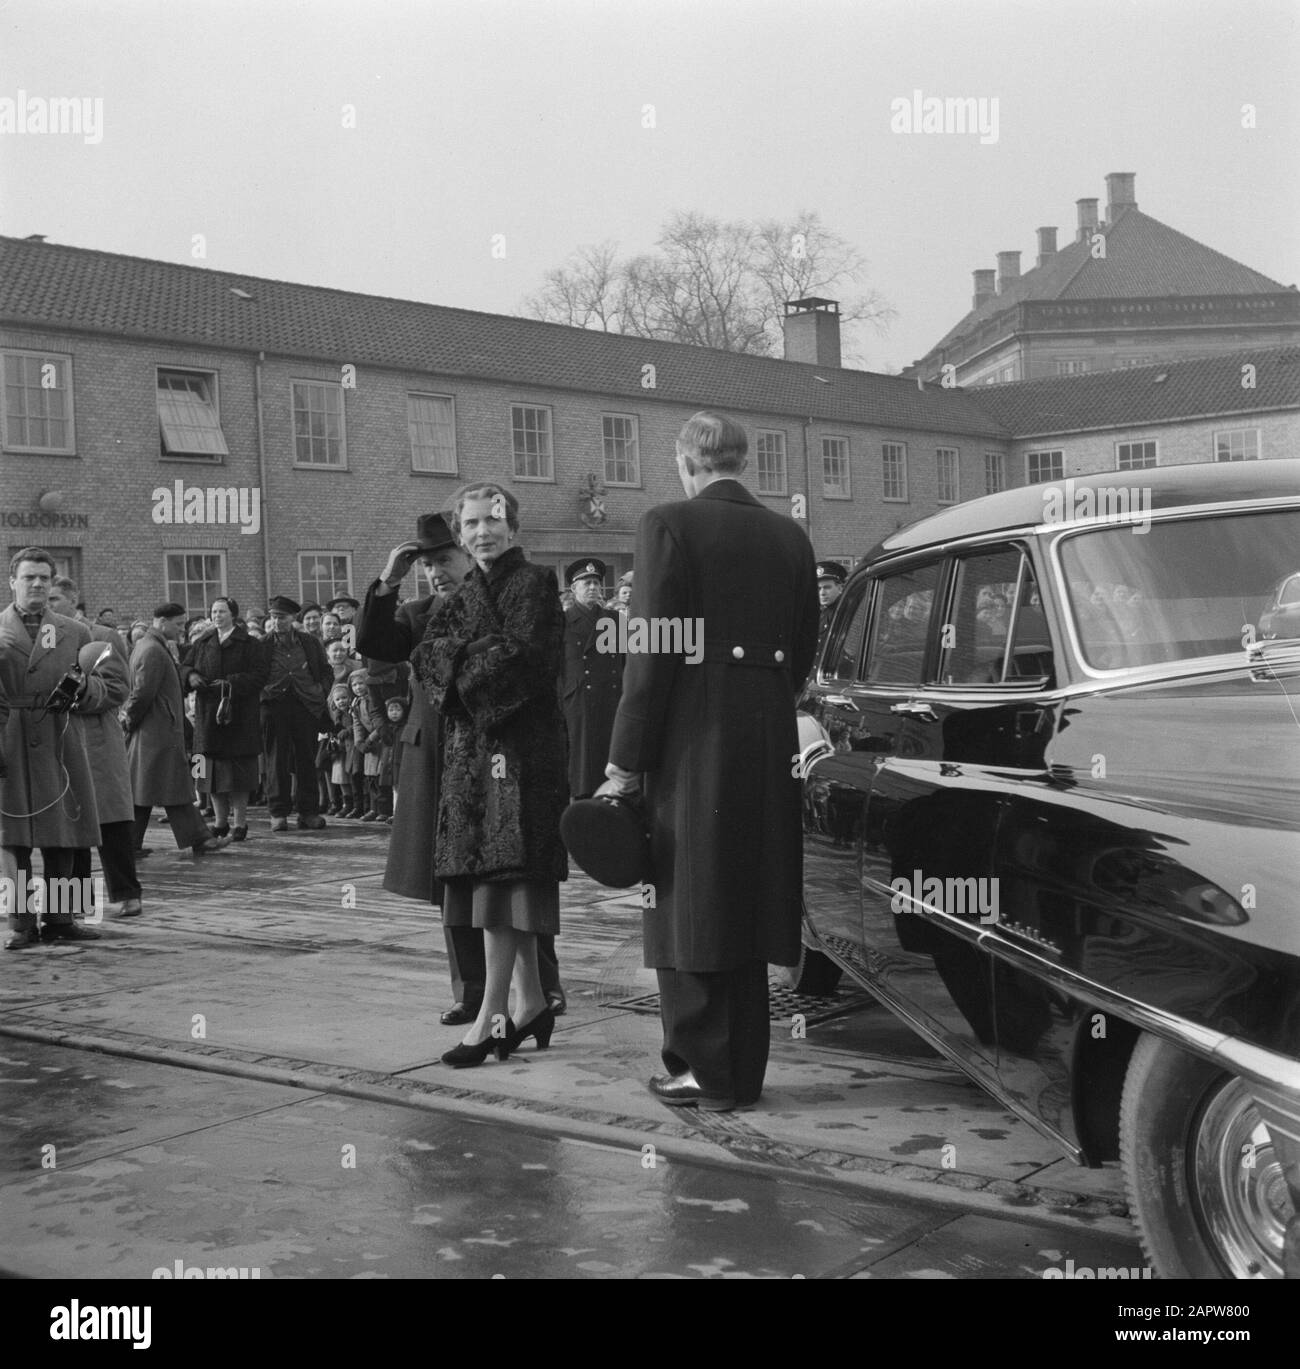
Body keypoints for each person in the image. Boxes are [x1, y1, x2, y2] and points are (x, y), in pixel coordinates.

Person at [598, 412, 818, 1112]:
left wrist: (624, 760)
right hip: (768, 727)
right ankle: (741, 1069)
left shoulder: (668, 524)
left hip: (692, 732)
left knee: (686, 896)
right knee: (748, 894)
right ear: (742, 460)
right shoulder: (789, 534)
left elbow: (652, 651)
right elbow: (805, 647)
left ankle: (699, 1068)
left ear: (684, 461)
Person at [356, 513, 568, 1025]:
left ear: (469, 555)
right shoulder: (418, 612)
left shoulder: (503, 602)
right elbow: (374, 644)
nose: (434, 573)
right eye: (425, 565)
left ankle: (541, 986)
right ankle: (469, 991)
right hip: (433, 751)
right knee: (450, 879)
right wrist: (388, 580)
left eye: (443, 560)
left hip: (491, 747)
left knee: (509, 869)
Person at [412, 484, 568, 1068]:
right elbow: (425, 657)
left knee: (505, 884)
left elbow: (523, 663)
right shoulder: (470, 588)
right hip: (473, 759)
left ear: (514, 527)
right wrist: (471, 651)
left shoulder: (532, 584)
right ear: (461, 530)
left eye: (493, 522)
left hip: (521, 757)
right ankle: (528, 1003)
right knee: (499, 884)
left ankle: (490, 1018)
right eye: (472, 523)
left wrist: (460, 658)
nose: (483, 532)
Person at [1, 548, 109, 948]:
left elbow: (107, 689)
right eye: (29, 577)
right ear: (12, 581)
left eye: (45, 577)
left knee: (66, 834)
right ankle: (21, 923)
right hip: (9, 740)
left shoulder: (75, 631)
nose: (38, 584)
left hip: (59, 739)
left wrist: (83, 689)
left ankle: (63, 920)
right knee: (12, 838)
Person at [48, 577, 142, 919]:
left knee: (111, 823)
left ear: (74, 602)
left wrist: (79, 689)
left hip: (96, 742)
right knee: (68, 826)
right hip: (58, 743)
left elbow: (118, 688)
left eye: (56, 598)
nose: (50, 604)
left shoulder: (102, 637)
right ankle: (75, 902)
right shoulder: (43, 640)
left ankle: (127, 894)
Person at [123, 604, 232, 859]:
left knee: (146, 790)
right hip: (158, 732)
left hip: (154, 731)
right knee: (173, 788)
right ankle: (199, 840)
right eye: (178, 624)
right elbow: (142, 693)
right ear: (161, 621)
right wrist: (129, 719)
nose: (182, 629)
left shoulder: (151, 646)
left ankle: (129, 844)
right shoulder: (153, 650)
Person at [183, 597, 268, 842]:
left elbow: (260, 675)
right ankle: (219, 822)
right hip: (208, 716)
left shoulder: (250, 643)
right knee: (210, 772)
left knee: (239, 773)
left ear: (232, 614)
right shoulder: (203, 642)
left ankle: (240, 823)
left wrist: (231, 683)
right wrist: (191, 677)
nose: (217, 616)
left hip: (238, 716)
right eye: (214, 612)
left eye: (222, 611)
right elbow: (184, 666)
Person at [259, 595, 332, 832]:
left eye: (281, 617)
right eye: (273, 617)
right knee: (276, 759)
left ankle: (308, 812)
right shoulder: (262, 644)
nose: (276, 621)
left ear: (292, 618)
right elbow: (254, 674)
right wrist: (263, 693)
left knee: (306, 759)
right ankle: (278, 812)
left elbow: (325, 670)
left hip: (306, 705)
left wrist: (321, 690)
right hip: (274, 706)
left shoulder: (309, 643)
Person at [561, 558, 624, 798]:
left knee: (610, 768)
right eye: (586, 583)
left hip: (611, 700)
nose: (593, 588)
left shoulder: (615, 620)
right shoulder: (563, 622)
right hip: (578, 705)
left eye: (596, 583)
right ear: (573, 589)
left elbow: (628, 662)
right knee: (582, 771)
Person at [814, 561, 847, 664]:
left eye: (827, 587)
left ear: (840, 588)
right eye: (818, 588)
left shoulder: (844, 611)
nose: (822, 593)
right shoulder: (821, 612)